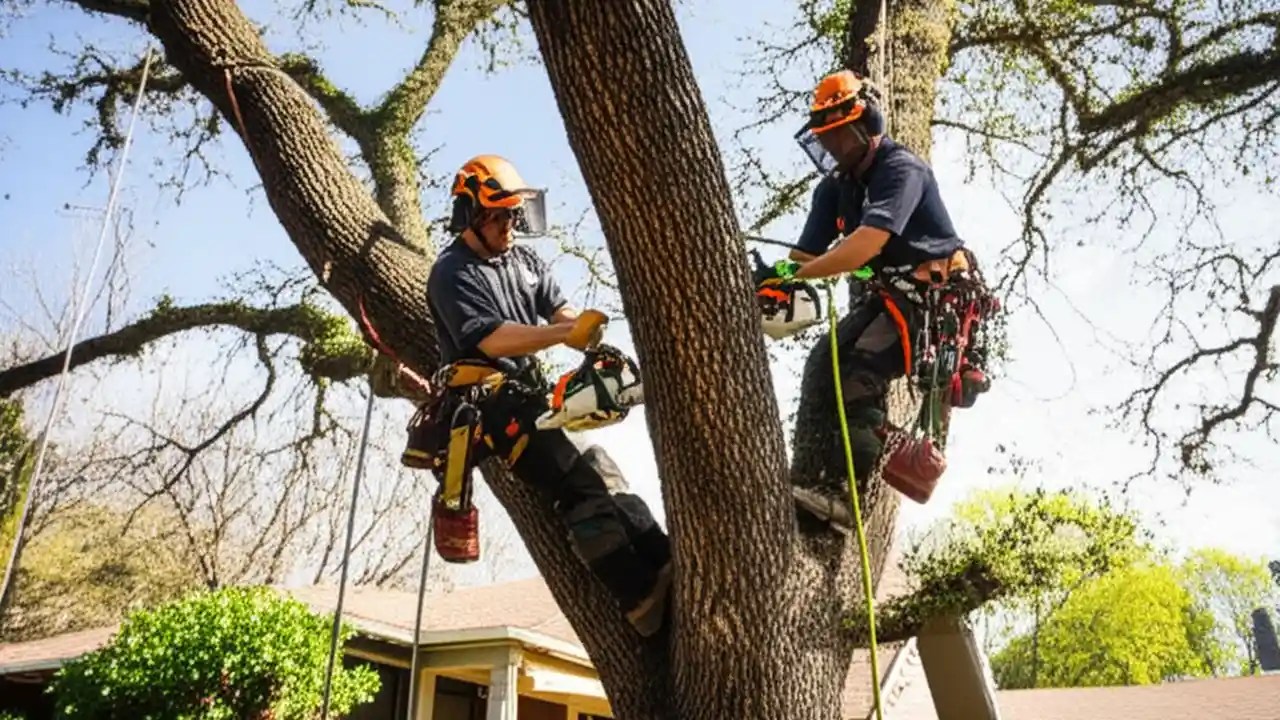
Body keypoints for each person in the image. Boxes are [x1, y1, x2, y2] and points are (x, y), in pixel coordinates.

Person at [423, 154, 673, 636]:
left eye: (514, 215)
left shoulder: (524, 259)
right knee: (577, 483)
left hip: (531, 395)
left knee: (601, 465)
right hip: (492, 403)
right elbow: (492, 339)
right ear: (471, 214)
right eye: (498, 215)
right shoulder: (452, 272)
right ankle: (636, 594)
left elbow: (560, 312)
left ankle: (663, 560)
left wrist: (581, 329)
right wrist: (560, 337)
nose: (509, 225)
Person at [768, 70, 980, 526]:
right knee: (822, 363)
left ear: (866, 125)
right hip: (891, 297)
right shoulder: (834, 189)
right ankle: (813, 481)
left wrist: (802, 272)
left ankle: (850, 493)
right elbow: (803, 256)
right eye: (826, 141)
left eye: (841, 137)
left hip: (933, 297)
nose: (834, 149)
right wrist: (771, 279)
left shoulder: (901, 170)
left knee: (857, 370)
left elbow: (864, 246)